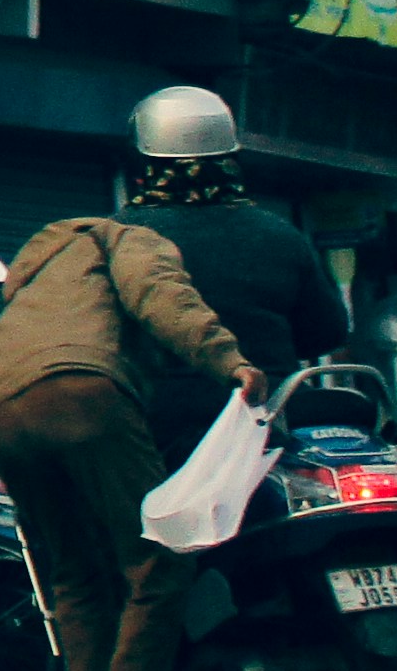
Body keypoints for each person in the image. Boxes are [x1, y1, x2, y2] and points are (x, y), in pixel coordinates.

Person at [0, 190, 264, 671]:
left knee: (75, 573)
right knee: (157, 560)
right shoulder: (123, 239)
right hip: (81, 393)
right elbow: (163, 299)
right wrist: (230, 361)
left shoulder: (40, 265)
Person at [115, 86, 354, 450]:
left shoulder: (115, 238)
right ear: (229, 156)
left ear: (141, 162)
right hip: (269, 422)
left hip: (156, 431)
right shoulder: (280, 235)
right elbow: (326, 333)